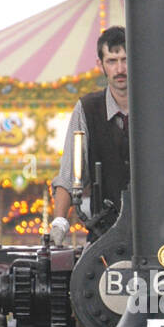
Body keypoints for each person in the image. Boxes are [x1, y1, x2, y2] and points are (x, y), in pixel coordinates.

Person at [50, 27, 129, 243]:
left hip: (157, 235)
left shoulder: (157, 107)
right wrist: (59, 223)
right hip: (104, 236)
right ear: (100, 64)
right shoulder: (87, 108)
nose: (120, 69)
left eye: (125, 60)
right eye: (112, 61)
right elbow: (68, 175)